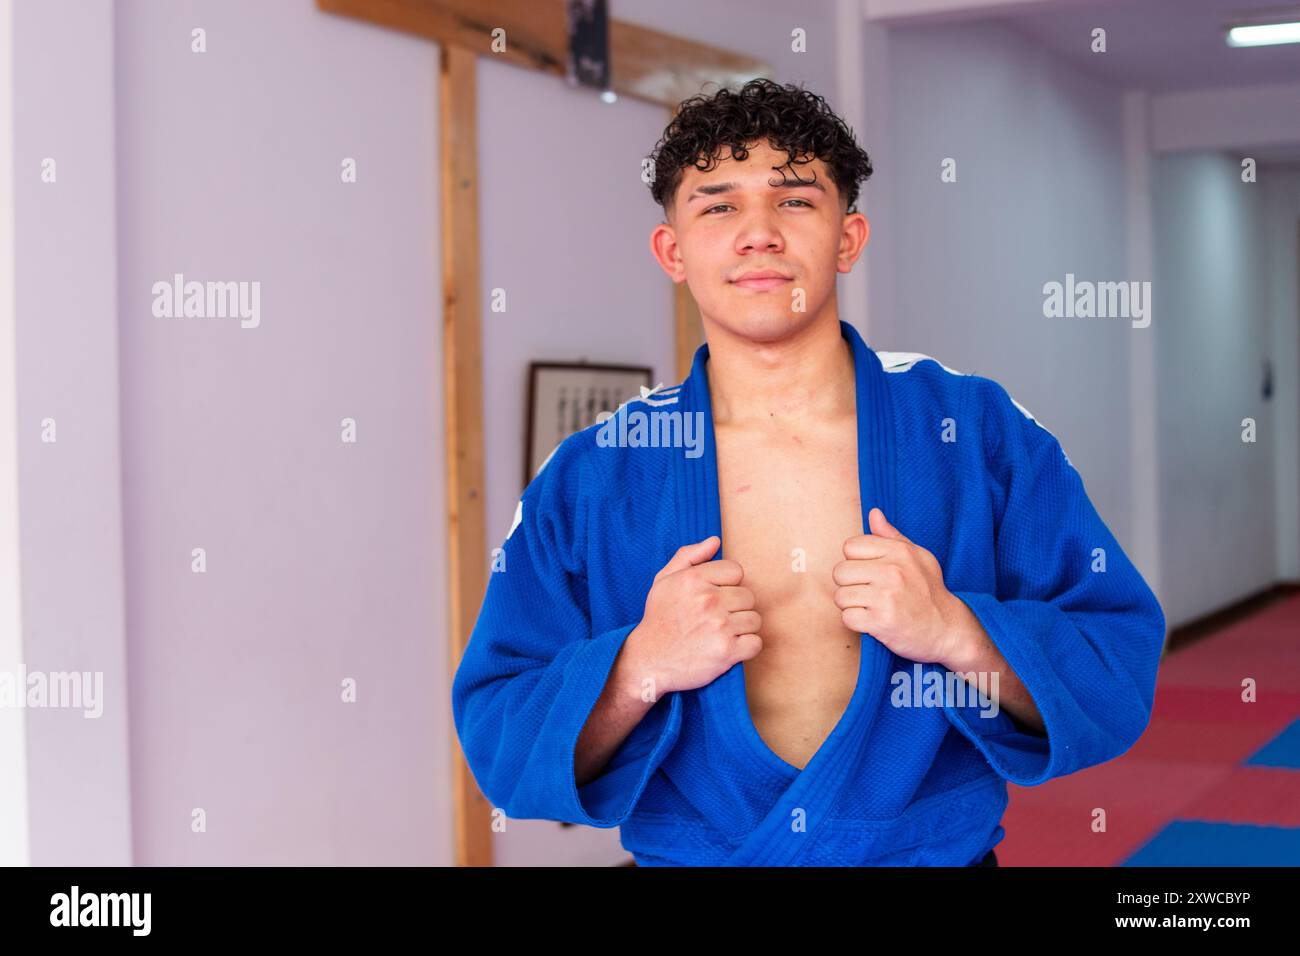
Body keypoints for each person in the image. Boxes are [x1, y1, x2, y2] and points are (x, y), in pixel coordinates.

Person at [451, 78, 1165, 866]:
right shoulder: (594, 474)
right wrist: (640, 666)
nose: (758, 233)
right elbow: (500, 737)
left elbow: (1116, 667)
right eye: (717, 205)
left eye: (795, 201)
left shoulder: (975, 433)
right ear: (673, 251)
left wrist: (957, 633)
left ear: (849, 237)